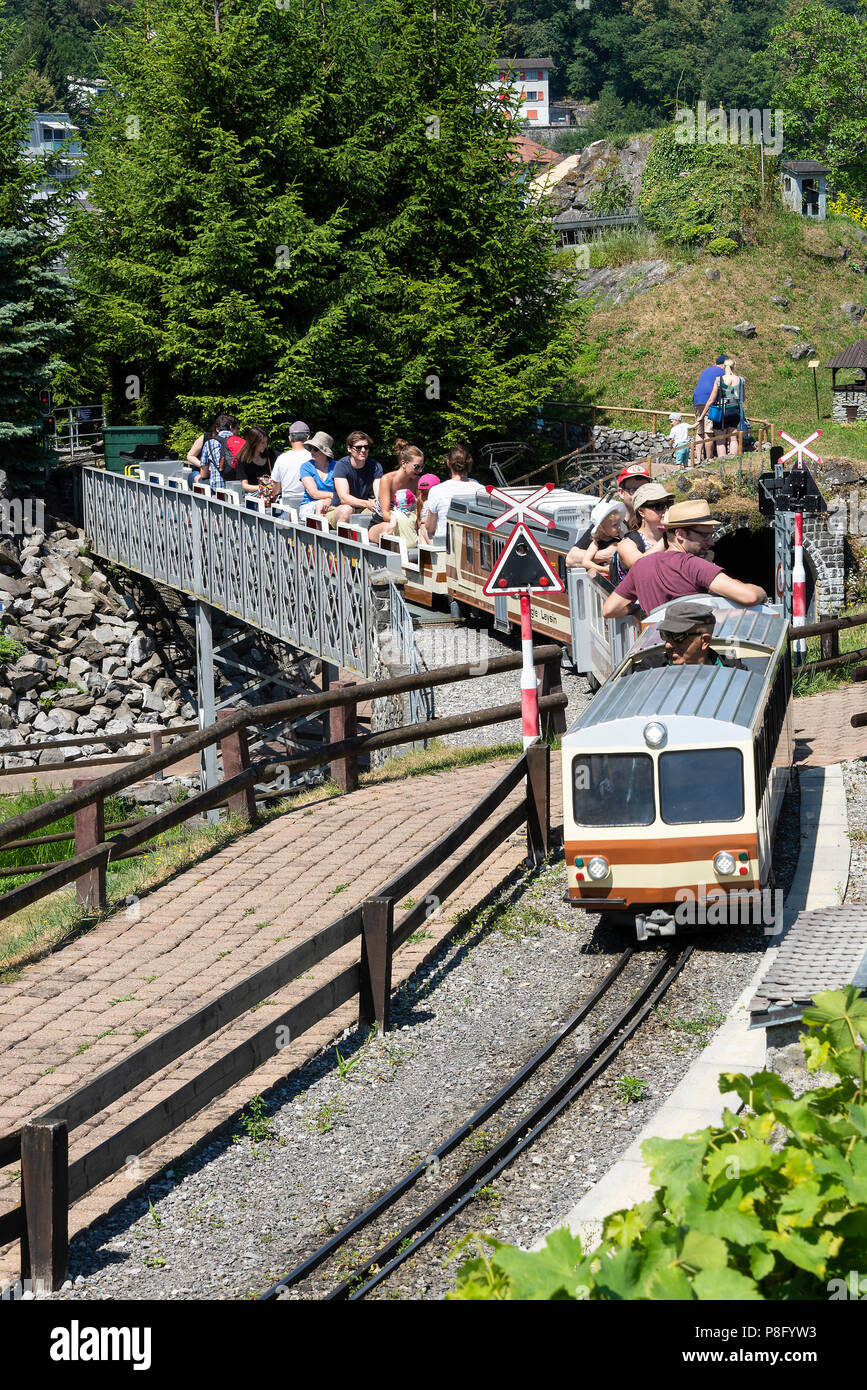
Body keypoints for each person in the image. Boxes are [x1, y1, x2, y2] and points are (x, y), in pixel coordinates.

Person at [602, 499, 767, 619]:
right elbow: (749, 596)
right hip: (695, 657)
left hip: (655, 654)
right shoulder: (694, 565)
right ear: (680, 534)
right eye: (704, 535)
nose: (711, 542)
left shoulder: (641, 566)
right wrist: (762, 593)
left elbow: (609, 610)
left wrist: (643, 612)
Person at [634, 600, 748, 670]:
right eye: (665, 635)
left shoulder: (734, 670)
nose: (668, 645)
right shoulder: (651, 668)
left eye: (678, 636)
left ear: (705, 641)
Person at [418, 446, 478, 546]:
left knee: (424, 528)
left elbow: (430, 528)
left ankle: (427, 562)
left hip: (447, 547)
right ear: (469, 463)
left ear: (448, 463)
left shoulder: (437, 490)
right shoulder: (481, 490)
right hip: (472, 546)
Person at [369, 442, 426, 544]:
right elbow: (386, 514)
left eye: (422, 467)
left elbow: (418, 510)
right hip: (383, 522)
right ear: (404, 463)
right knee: (392, 528)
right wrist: (402, 521)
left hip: (408, 524)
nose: (420, 470)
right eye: (417, 467)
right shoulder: (387, 479)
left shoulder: (417, 481)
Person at [614, 482, 674, 579]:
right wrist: (667, 539)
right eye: (659, 506)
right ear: (641, 511)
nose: (666, 510)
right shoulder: (627, 543)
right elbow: (638, 564)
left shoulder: (676, 537)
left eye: (668, 504)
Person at [326, 431, 384, 525]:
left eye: (366, 447)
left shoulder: (375, 466)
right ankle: (342, 539)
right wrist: (367, 503)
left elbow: (379, 494)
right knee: (347, 510)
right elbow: (344, 498)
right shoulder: (341, 466)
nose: (363, 450)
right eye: (358, 447)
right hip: (338, 509)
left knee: (382, 512)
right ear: (349, 448)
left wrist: (376, 502)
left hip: (363, 509)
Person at [698, 358, 746, 458]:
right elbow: (743, 398)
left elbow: (711, 399)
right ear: (734, 367)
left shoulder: (719, 380)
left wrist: (702, 416)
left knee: (720, 441)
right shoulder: (740, 380)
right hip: (735, 411)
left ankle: (722, 462)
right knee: (733, 439)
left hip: (721, 412)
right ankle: (733, 459)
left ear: (723, 367)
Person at [566, 498, 627, 573]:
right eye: (614, 525)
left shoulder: (619, 537)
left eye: (619, 523)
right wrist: (603, 569)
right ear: (601, 528)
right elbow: (586, 562)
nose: (619, 527)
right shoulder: (596, 543)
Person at [187, 414, 241, 488]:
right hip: (232, 481)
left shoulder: (209, 443)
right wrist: (208, 466)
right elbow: (190, 456)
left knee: (193, 475)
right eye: (237, 428)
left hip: (215, 481)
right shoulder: (205, 437)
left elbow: (204, 474)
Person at [270, 421, 314, 509]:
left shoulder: (281, 458)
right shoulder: (313, 457)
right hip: (310, 504)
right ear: (308, 437)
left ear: (290, 438)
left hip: (287, 505)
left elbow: (276, 489)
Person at [693, 354, 727, 462]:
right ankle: (708, 458)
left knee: (700, 430)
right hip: (708, 400)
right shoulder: (723, 372)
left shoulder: (706, 370)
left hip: (697, 399)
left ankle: (698, 459)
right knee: (708, 431)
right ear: (724, 364)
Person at [297, 431, 336, 518]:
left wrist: (330, 500)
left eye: (315, 449)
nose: (311, 451)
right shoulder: (306, 467)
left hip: (332, 504)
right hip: (309, 506)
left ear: (324, 452)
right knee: (321, 505)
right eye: (310, 448)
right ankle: (319, 531)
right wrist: (332, 497)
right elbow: (314, 493)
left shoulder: (337, 467)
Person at [237, 427, 275, 495]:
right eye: (262, 443)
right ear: (254, 443)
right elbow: (245, 485)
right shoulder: (243, 459)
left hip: (271, 494)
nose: (265, 445)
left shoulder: (271, 454)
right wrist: (263, 488)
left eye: (266, 442)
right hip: (253, 495)